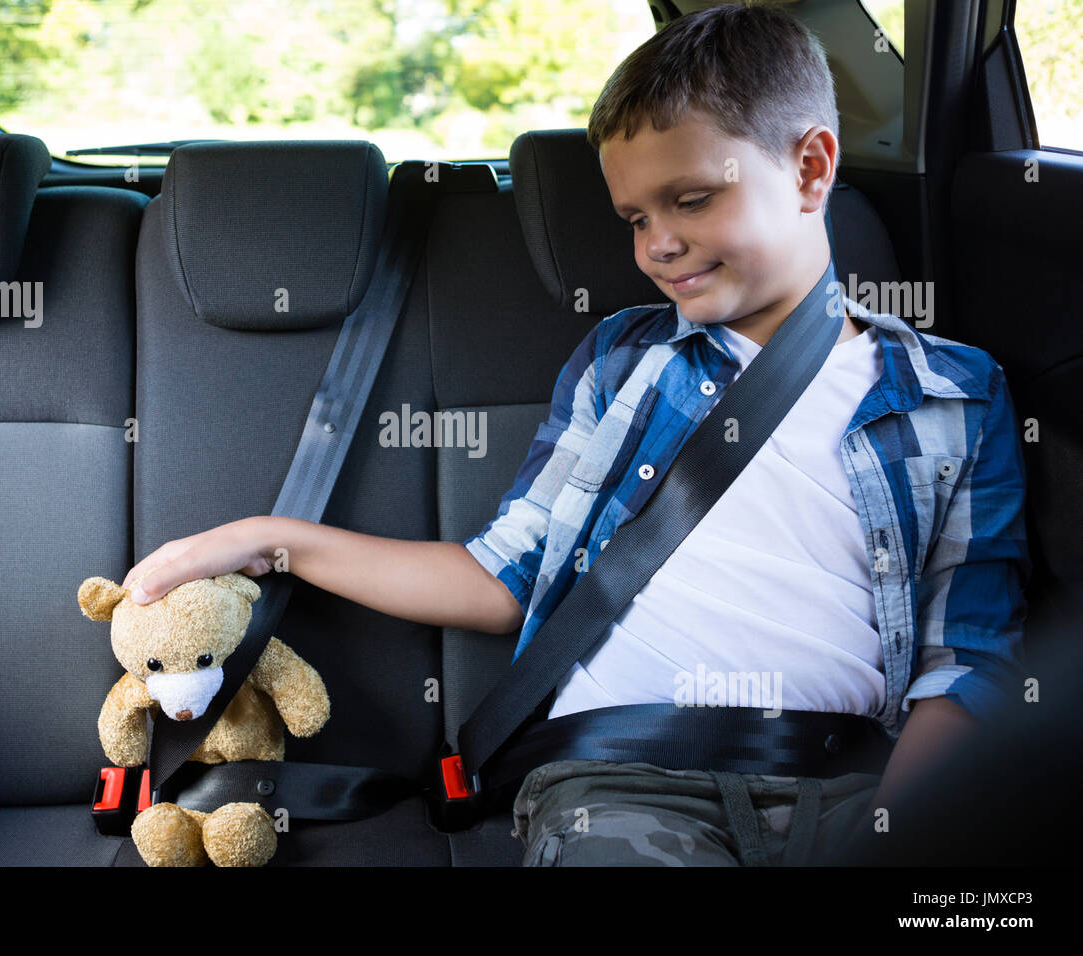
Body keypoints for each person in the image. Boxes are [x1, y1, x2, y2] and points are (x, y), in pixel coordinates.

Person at [121, 2, 1030, 865]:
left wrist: (900, 831)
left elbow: (964, 663)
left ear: (811, 169)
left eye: (691, 199)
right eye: (636, 217)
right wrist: (273, 542)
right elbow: (504, 575)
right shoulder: (623, 363)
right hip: (626, 779)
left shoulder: (951, 392)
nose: (657, 245)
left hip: (852, 780)